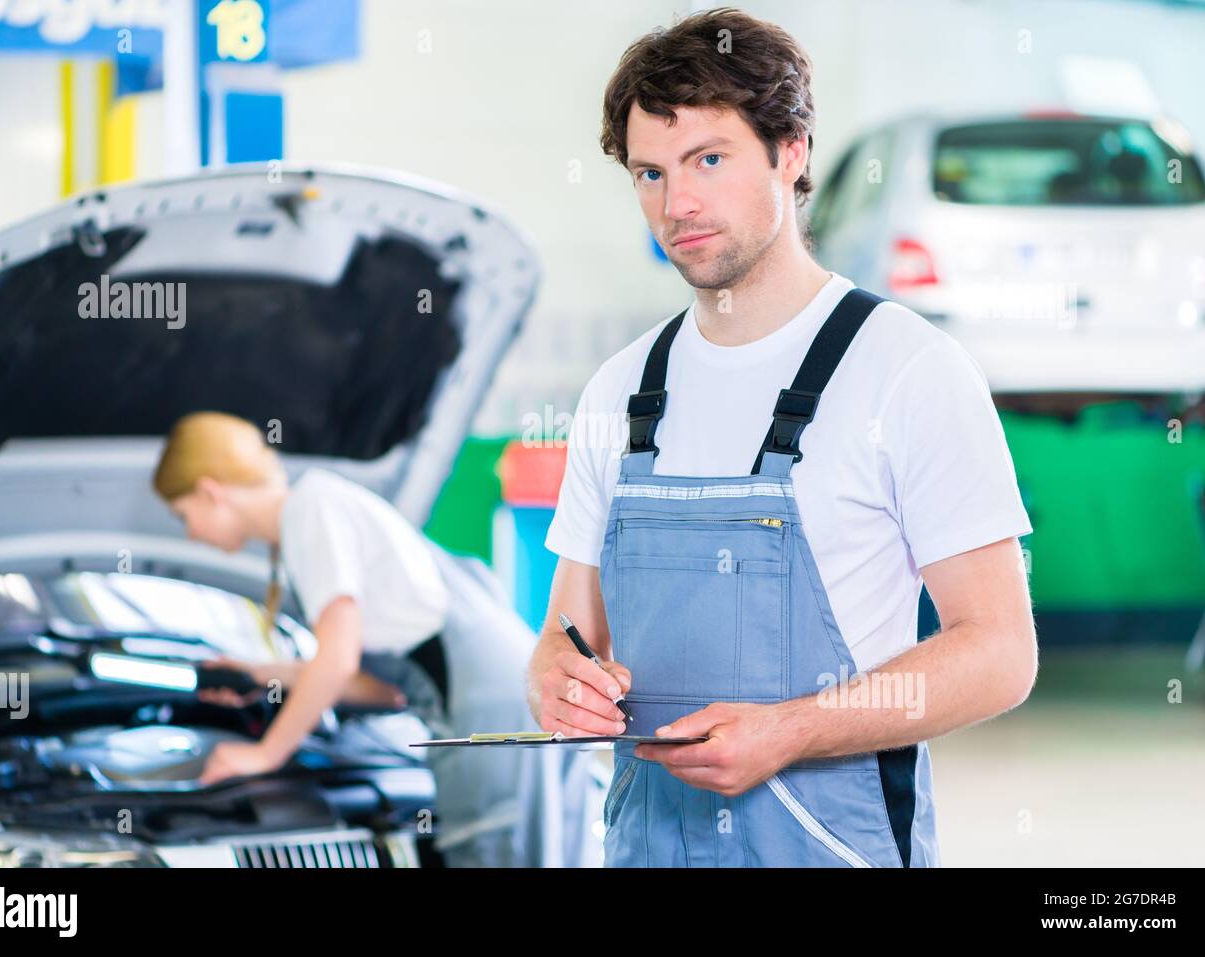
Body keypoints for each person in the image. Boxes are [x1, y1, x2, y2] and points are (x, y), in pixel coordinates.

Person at [527, 8, 1037, 867]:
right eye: (650, 173)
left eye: (709, 160)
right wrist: (553, 678)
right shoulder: (619, 392)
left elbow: (999, 653)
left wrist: (790, 732)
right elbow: (569, 636)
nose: (675, 202)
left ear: (791, 151)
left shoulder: (906, 370)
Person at [153, 411, 600, 867]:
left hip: (486, 701)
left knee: (492, 849)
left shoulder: (310, 508)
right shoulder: (321, 505)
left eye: (183, 515)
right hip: (507, 681)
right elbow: (386, 689)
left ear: (211, 491)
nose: (190, 532)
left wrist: (263, 755)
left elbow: (339, 660)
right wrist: (263, 676)